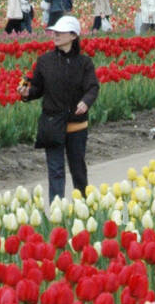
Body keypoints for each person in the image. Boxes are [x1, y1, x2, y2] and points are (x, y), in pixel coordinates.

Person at [19, 14, 98, 204]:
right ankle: (57, 210)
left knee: (78, 168)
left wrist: (86, 102)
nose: (55, 35)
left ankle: (84, 206)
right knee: (55, 170)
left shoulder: (84, 63)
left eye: (60, 32)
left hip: (76, 125)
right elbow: (37, 88)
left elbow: (92, 87)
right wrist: (26, 92)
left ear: (73, 36)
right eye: (54, 32)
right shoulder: (45, 61)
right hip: (52, 123)